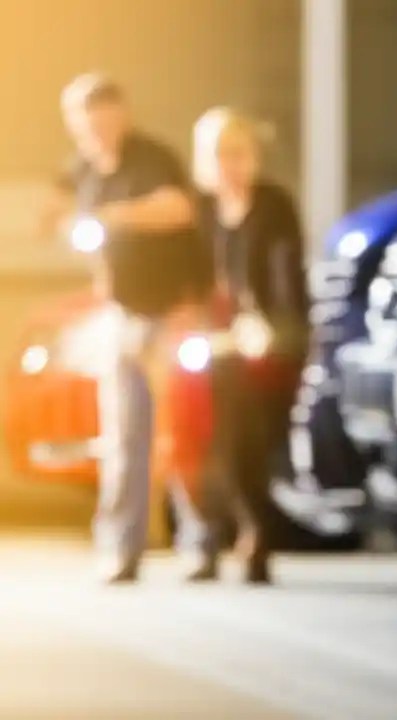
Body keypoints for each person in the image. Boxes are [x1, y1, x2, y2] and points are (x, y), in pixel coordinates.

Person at [42, 73, 214, 583]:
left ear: (121, 113)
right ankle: (121, 548)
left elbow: (178, 208)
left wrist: (112, 217)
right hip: (121, 316)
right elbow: (55, 210)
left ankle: (200, 541)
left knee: (181, 433)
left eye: (102, 116)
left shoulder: (151, 158)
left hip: (174, 313)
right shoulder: (84, 168)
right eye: (84, 120)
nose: (95, 129)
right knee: (122, 438)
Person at [191, 107, 309, 584]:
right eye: (221, 155)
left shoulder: (273, 205)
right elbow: (197, 275)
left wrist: (271, 326)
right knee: (216, 441)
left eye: (239, 154)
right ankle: (231, 531)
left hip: (270, 338)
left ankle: (257, 536)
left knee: (252, 438)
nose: (230, 165)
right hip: (219, 338)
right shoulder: (203, 211)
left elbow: (285, 269)